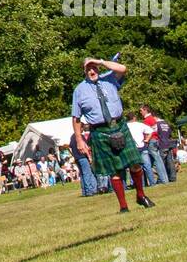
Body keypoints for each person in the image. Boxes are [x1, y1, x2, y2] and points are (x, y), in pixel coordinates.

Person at [71, 57, 154, 214]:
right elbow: (76, 118)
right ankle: (123, 206)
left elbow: (123, 68)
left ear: (98, 68)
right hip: (100, 131)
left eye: (94, 67)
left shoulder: (109, 79)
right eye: (88, 68)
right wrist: (79, 139)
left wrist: (100, 61)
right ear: (84, 71)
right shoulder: (79, 90)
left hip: (119, 125)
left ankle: (141, 195)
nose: (91, 71)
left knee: (135, 163)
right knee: (113, 170)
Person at [137, 105, 170, 185]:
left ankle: (163, 179)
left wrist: (146, 139)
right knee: (157, 160)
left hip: (151, 141)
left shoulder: (147, 120)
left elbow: (151, 131)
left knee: (156, 160)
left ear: (145, 110)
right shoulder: (152, 119)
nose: (140, 112)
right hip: (155, 140)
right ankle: (163, 179)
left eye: (141, 111)